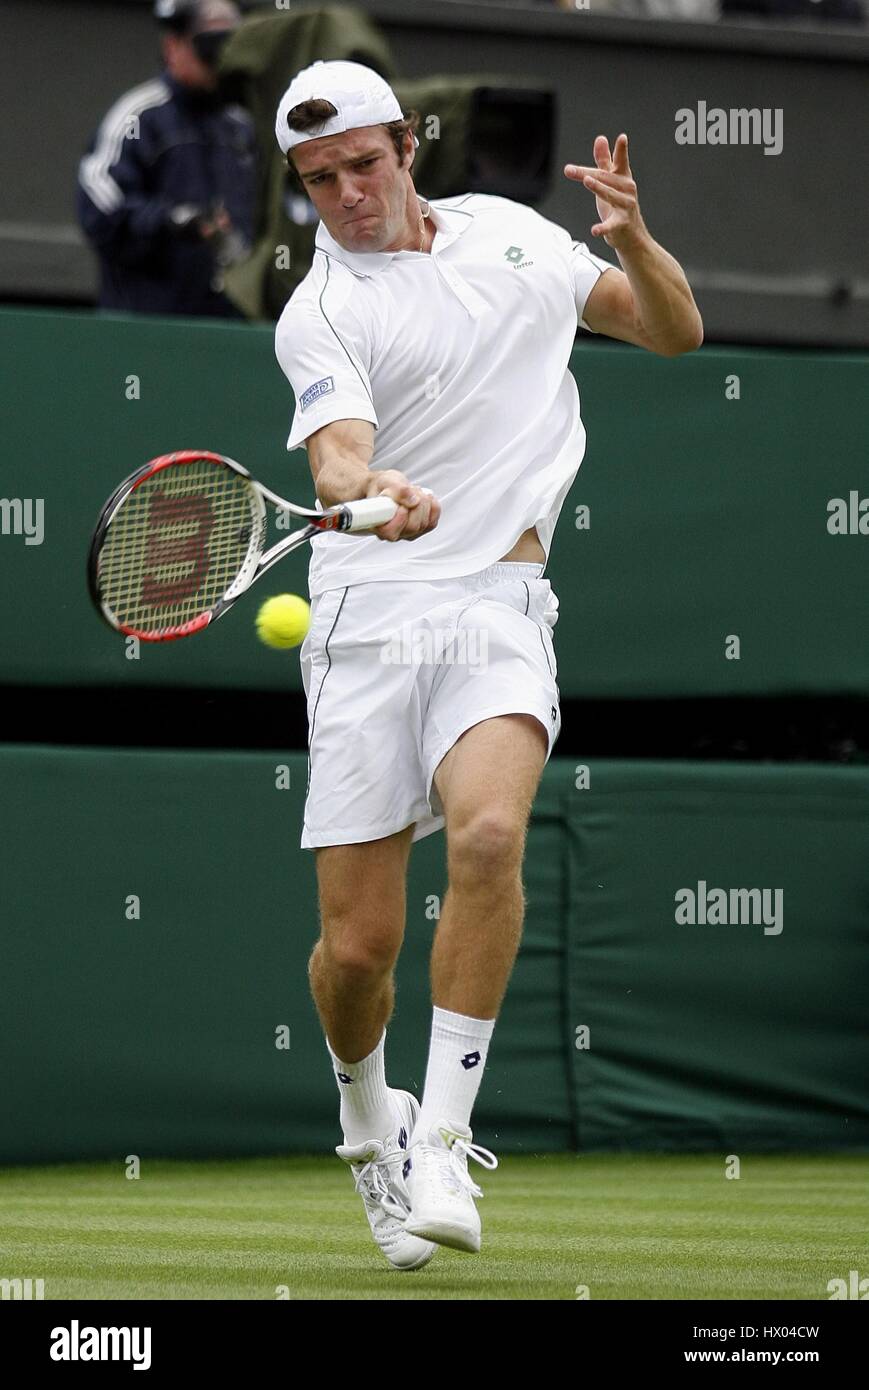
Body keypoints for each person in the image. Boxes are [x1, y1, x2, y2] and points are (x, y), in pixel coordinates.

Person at [273, 60, 702, 1271]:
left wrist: (638, 238)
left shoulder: (515, 239)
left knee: (489, 837)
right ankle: (370, 1123)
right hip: (369, 617)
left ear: (408, 145)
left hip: (497, 601)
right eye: (318, 181)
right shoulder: (322, 308)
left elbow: (672, 330)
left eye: (362, 164)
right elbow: (337, 465)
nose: (347, 196)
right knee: (356, 953)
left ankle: (446, 1141)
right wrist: (376, 493)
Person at [77, 0, 254, 316]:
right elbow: (99, 210)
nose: (220, 59)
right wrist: (173, 221)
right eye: (208, 46)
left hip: (227, 331)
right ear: (173, 46)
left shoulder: (241, 126)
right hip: (145, 327)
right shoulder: (140, 117)